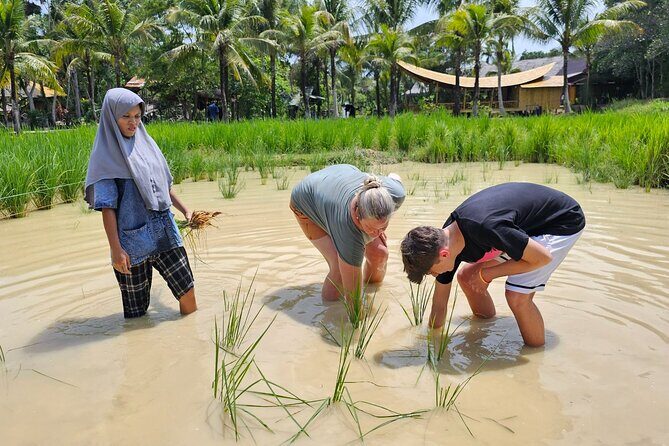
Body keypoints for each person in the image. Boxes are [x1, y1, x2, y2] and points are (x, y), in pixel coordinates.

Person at [401, 183, 585, 347]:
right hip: (521, 228)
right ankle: (487, 325)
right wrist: (431, 342)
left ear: (443, 255)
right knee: (466, 277)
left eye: (432, 272)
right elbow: (439, 305)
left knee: (517, 297)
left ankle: (536, 355)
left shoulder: (486, 227)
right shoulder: (443, 240)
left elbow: (542, 258)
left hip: (561, 221)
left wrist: (487, 275)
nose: (435, 275)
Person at [84, 88, 197, 318]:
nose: (133, 122)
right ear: (111, 117)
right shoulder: (106, 157)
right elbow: (108, 208)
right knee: (137, 316)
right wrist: (116, 250)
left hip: (165, 233)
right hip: (131, 245)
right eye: (125, 116)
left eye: (137, 116)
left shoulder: (147, 145)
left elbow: (162, 188)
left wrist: (185, 210)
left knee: (188, 294)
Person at [290, 164, 405, 302]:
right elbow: (353, 299)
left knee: (379, 254)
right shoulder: (346, 226)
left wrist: (375, 228)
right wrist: (356, 318)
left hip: (343, 173)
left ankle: (372, 291)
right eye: (371, 228)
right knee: (339, 271)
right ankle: (329, 311)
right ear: (358, 214)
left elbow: (395, 177)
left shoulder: (395, 194)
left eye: (383, 227)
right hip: (306, 200)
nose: (376, 234)